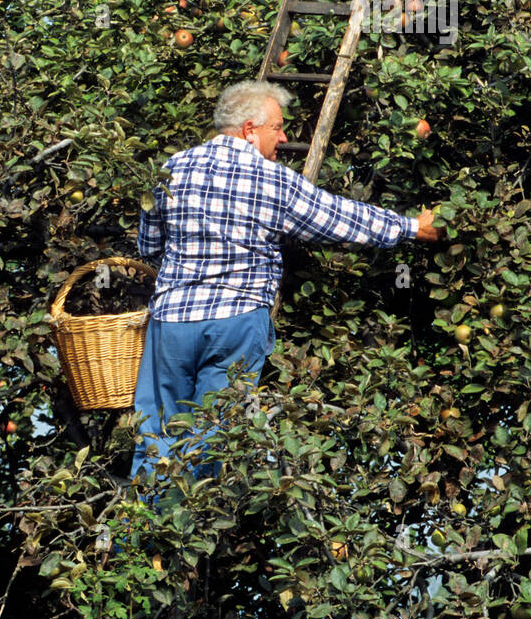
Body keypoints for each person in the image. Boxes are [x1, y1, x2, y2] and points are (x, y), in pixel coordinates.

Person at [130, 78, 438, 479]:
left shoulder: (170, 169)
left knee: (154, 433)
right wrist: (409, 227)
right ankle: (194, 530)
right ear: (249, 130)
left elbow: (149, 246)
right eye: (277, 127)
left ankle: (142, 536)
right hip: (235, 321)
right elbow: (340, 219)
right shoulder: (272, 180)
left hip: (170, 321)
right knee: (214, 435)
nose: (285, 136)